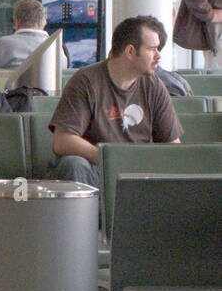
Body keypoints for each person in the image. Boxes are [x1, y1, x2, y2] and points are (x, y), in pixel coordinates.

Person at [49, 15, 183, 189]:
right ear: (130, 52)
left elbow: (173, 146)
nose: (158, 56)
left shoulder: (154, 85)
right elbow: (63, 141)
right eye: (152, 49)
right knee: (74, 164)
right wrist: (111, 158)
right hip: (97, 169)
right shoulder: (86, 81)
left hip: (139, 173)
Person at [0, 0, 69, 70]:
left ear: (16, 21)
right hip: (47, 95)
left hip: (9, 95)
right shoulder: (56, 48)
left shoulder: (2, 44)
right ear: (43, 22)